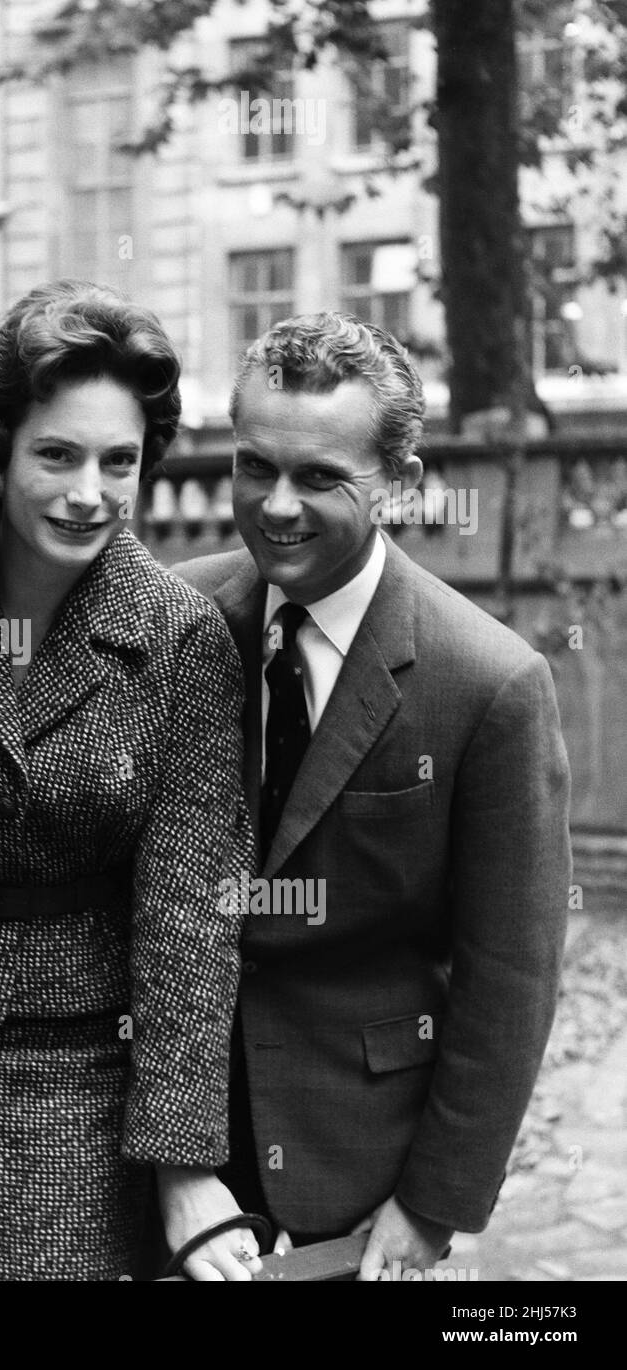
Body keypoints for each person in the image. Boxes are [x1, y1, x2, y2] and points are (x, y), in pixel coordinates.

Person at [174, 312, 571, 1280]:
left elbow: (508, 975)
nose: (276, 505)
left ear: (400, 483)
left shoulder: (488, 684)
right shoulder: (175, 620)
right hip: (174, 1158)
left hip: (363, 1170)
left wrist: (434, 1205)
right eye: (253, 465)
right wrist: (168, 1159)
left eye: (319, 477)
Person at [0, 281, 257, 1281]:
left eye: (119, 461)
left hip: (84, 1082)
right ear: (1, 444)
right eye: (56, 454)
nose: (87, 491)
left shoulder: (176, 636)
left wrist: (184, 1164)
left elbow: (190, 910)